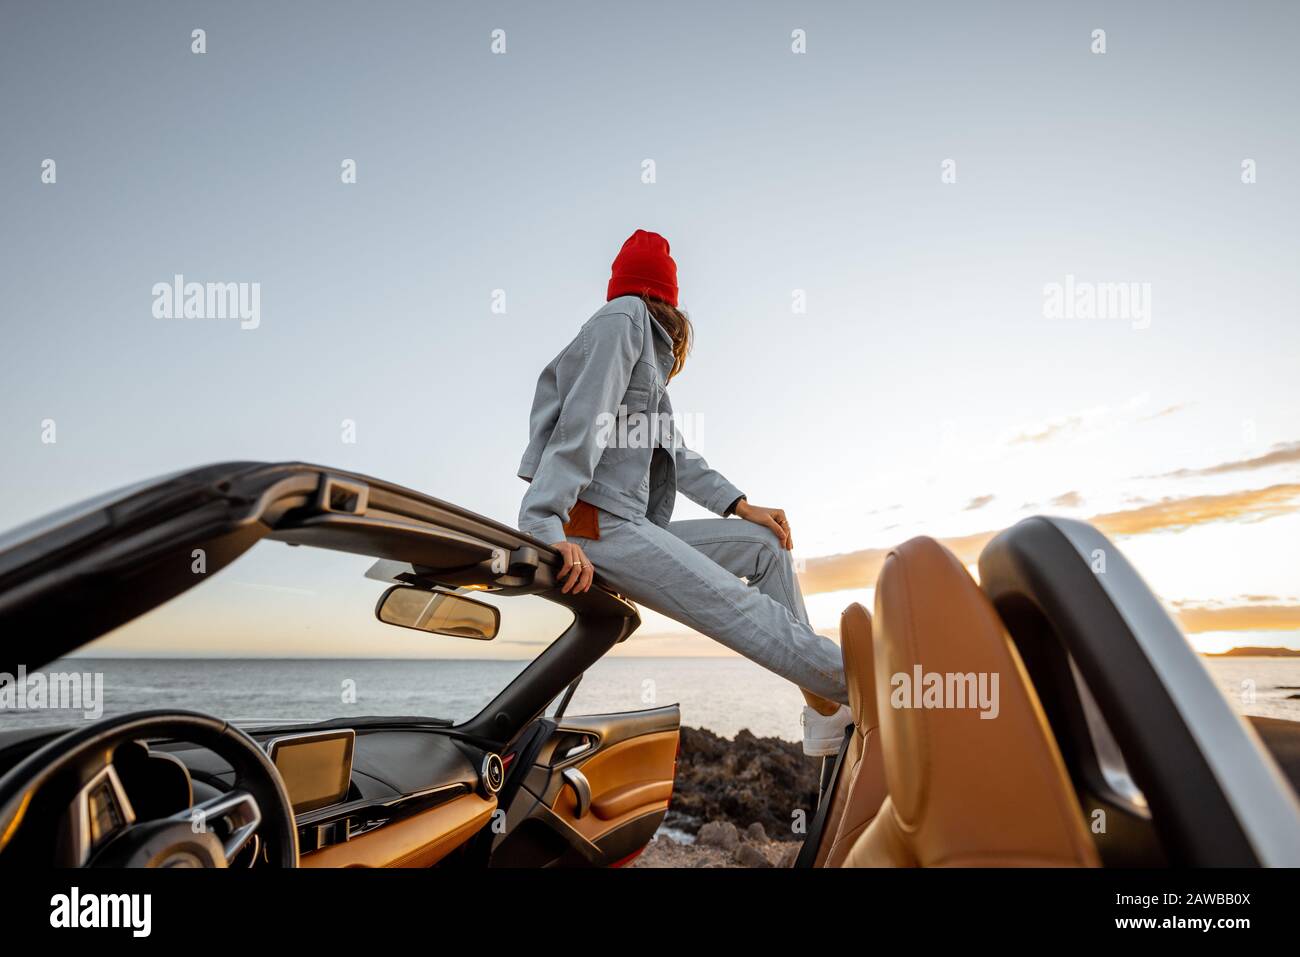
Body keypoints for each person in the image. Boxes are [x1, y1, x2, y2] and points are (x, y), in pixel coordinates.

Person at [517, 229, 850, 755]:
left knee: (763, 547)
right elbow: (583, 422)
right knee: (736, 604)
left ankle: (825, 711)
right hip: (594, 524)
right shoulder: (621, 320)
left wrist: (741, 506)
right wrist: (544, 522)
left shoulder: (644, 346)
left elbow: (679, 455)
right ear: (666, 295)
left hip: (631, 524)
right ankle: (871, 685)